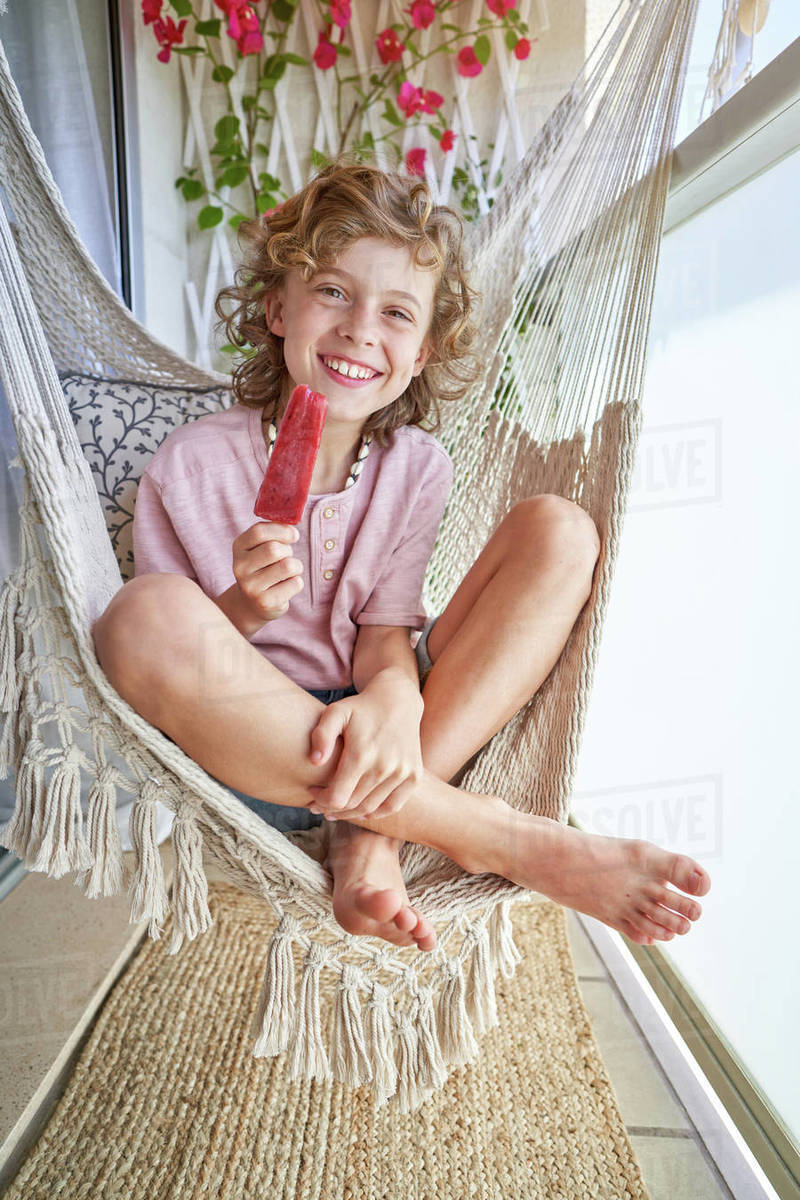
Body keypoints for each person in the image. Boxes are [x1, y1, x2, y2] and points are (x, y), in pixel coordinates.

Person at [91, 160, 710, 954]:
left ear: (419, 355)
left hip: (390, 735)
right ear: (279, 308)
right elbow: (168, 660)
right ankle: (486, 832)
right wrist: (243, 604)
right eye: (333, 293)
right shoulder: (191, 465)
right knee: (138, 617)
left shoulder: (416, 467)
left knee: (559, 530)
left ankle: (370, 836)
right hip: (255, 755)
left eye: (395, 313)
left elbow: (384, 631)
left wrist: (395, 701)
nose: (358, 330)